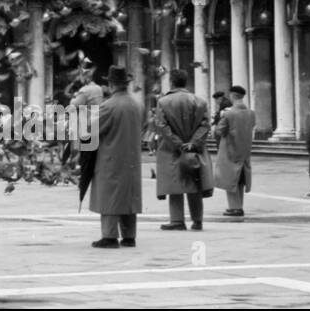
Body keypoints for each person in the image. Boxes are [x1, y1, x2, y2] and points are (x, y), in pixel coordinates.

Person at [88, 66, 142, 248]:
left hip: (111, 157)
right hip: (132, 158)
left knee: (109, 195)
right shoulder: (136, 104)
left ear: (111, 84)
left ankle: (110, 236)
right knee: (128, 195)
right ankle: (129, 236)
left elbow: (91, 131)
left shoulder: (109, 105)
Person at [155, 70, 213, 232]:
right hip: (194, 149)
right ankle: (197, 220)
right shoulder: (200, 101)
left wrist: (178, 143)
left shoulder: (163, 102)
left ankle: (177, 220)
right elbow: (205, 124)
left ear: (172, 82)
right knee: (194, 184)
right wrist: (193, 143)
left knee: (175, 185)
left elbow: (162, 126)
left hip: (171, 149)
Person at [214, 85, 256, 218]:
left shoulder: (228, 113)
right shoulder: (251, 113)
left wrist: (220, 117)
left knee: (230, 179)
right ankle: (239, 206)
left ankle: (234, 208)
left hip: (230, 150)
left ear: (232, 95)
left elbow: (218, 131)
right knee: (241, 180)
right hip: (244, 150)